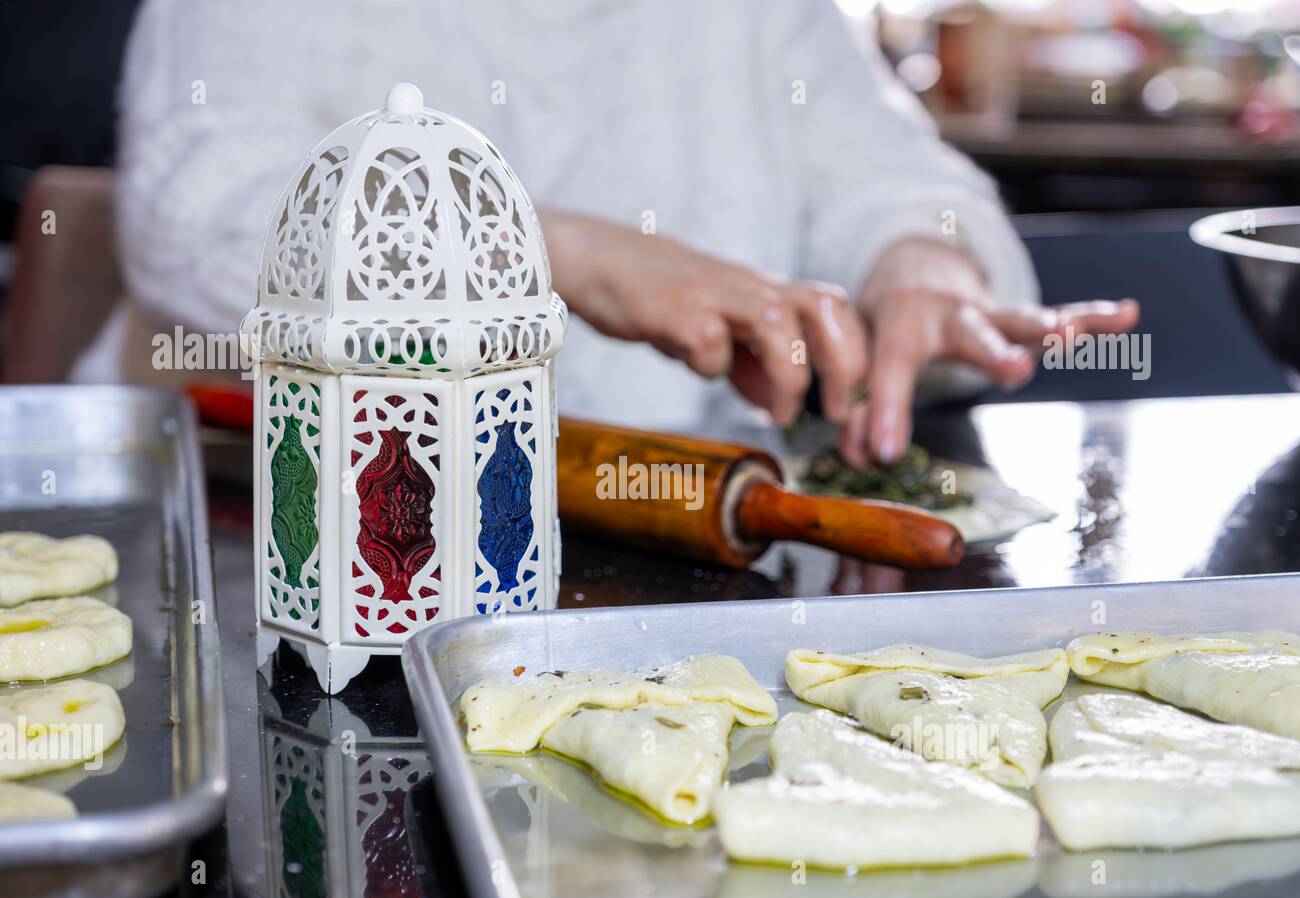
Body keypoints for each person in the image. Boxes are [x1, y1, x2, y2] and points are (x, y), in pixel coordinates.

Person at [113, 0, 1137, 466]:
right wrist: (552, 250)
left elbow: (887, 177)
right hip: (306, 533)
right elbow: (189, 212)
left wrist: (920, 257)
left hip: (669, 539)